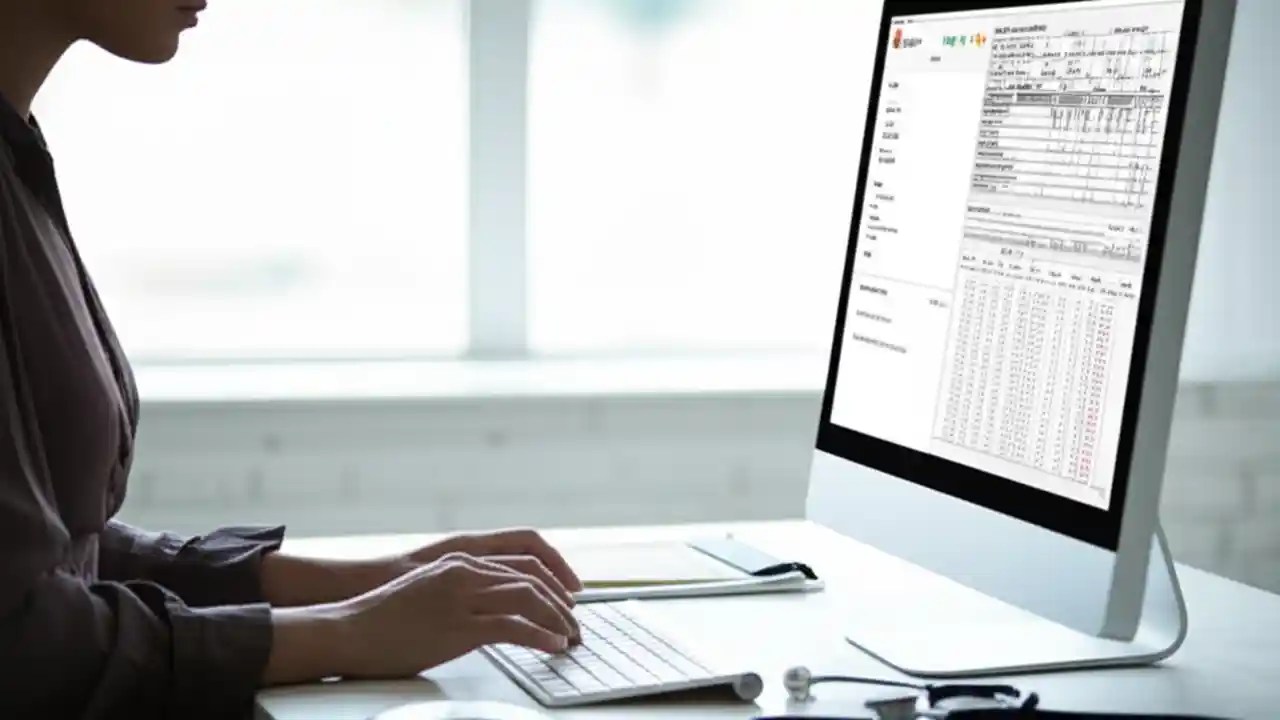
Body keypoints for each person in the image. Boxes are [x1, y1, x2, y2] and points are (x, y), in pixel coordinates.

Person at [0, 2, 584, 717]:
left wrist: (372, 580)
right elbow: (19, 638)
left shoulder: (15, 151)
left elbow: (54, 553)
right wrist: (349, 632)